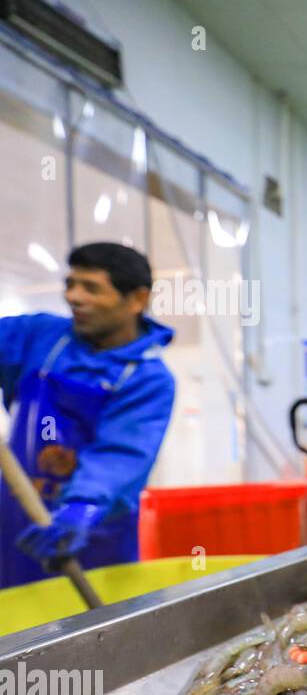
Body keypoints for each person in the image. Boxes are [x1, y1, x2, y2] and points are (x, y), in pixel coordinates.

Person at [0, 243, 175, 587]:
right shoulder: (41, 336)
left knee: (90, 630)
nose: (74, 297)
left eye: (91, 288)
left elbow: (119, 458)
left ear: (137, 299)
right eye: (70, 284)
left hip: (92, 535)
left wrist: (80, 511)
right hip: (13, 518)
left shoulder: (148, 379)